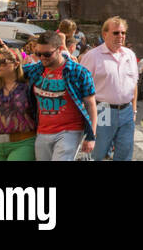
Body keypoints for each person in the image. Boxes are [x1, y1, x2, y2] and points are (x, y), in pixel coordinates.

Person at [23, 30, 98, 161]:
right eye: (38, 54)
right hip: (42, 130)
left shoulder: (78, 72)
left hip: (70, 130)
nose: (42, 58)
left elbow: (91, 105)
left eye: (47, 54)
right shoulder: (36, 69)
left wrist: (91, 136)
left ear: (60, 49)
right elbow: (9, 68)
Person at [80, 15, 139, 160]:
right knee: (98, 153)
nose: (120, 36)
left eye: (123, 33)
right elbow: (81, 88)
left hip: (126, 111)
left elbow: (134, 85)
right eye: (116, 33)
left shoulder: (130, 55)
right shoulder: (92, 56)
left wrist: (134, 109)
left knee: (125, 153)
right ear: (104, 34)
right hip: (102, 110)